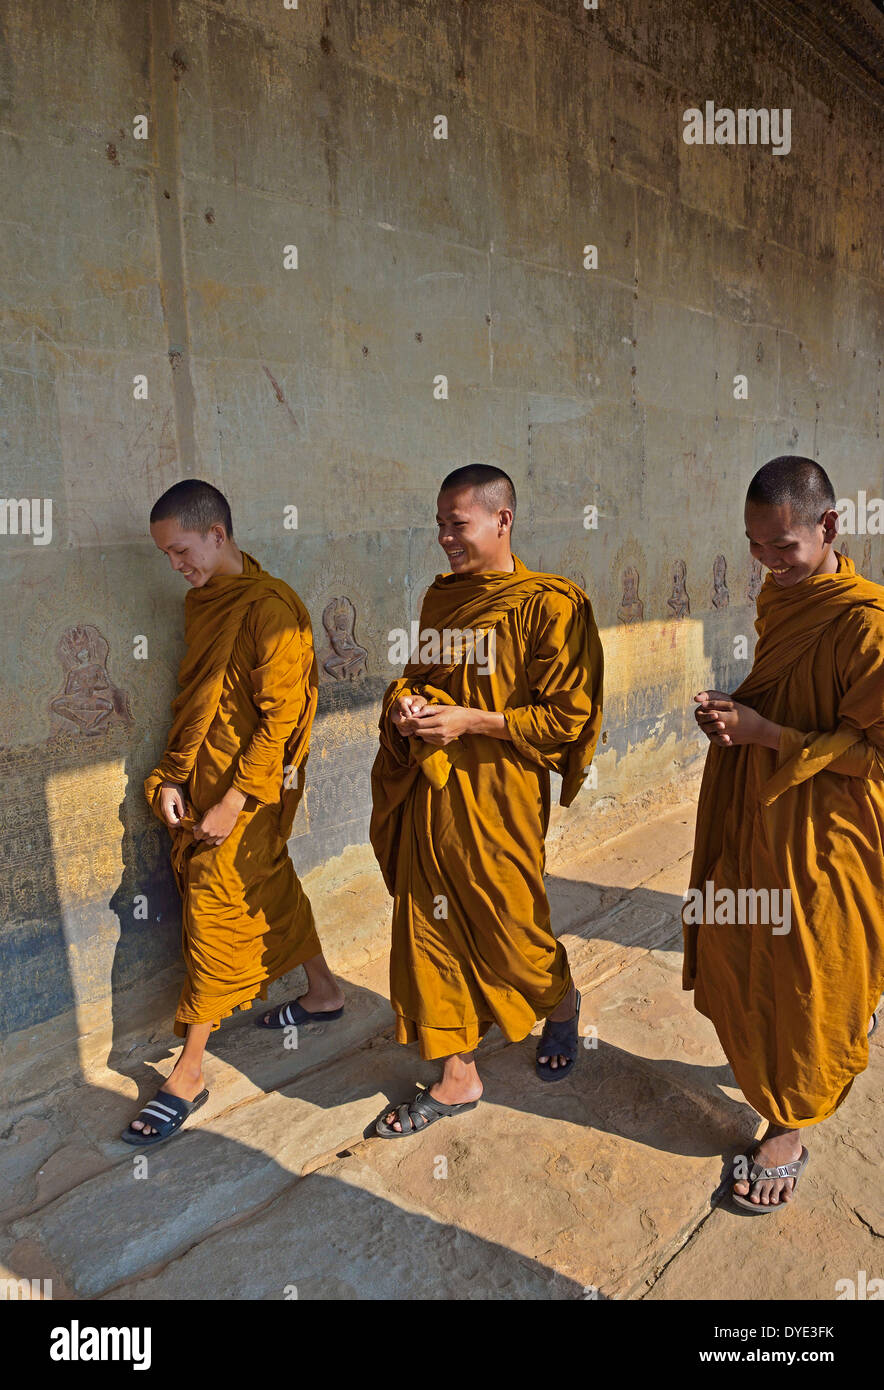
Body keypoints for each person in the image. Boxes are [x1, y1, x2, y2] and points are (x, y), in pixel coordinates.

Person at [370, 465, 604, 1137]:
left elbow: (566, 719)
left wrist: (472, 721)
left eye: (458, 524)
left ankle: (559, 1004)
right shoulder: (444, 599)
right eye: (440, 524)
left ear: (502, 521)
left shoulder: (552, 605)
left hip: (500, 796)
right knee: (429, 927)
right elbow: (421, 673)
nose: (445, 538)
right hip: (433, 792)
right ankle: (457, 1074)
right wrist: (406, 703)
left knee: (513, 930)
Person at [684, 456, 884, 1210]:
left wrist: (765, 732)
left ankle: (789, 1126)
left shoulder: (867, 626)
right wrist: (737, 714)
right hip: (765, 814)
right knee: (751, 958)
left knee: (811, 976)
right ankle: (781, 1062)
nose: (768, 563)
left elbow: (876, 755)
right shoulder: (788, 597)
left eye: (783, 547)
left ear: (829, 528)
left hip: (830, 834)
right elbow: (792, 695)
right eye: (756, 547)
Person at [122, 480, 344, 1147]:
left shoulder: (272, 608)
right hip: (205, 790)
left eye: (182, 550)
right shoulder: (205, 603)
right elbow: (197, 704)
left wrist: (232, 800)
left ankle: (188, 1072)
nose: (177, 566)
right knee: (269, 884)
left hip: (248, 792)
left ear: (216, 534)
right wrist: (171, 777)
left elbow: (281, 722)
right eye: (166, 555)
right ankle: (325, 991)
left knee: (213, 910)